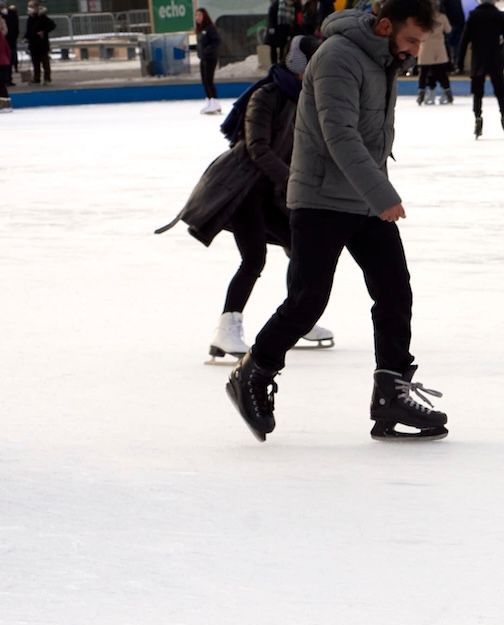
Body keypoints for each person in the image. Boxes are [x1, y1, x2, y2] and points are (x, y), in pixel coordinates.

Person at [225, 0, 450, 444]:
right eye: (409, 40)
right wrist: (382, 194)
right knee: (308, 301)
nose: (412, 51)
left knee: (394, 290)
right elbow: (339, 135)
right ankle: (253, 373)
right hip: (321, 197)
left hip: (362, 198)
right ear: (385, 25)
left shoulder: (383, 58)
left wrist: (374, 191)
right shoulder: (337, 57)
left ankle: (390, 392)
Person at [158, 35, 339, 360]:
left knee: (299, 247)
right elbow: (257, 148)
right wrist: (291, 179)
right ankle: (226, 331)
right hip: (240, 188)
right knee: (253, 258)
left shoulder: (306, 99)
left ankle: (298, 319)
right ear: (300, 64)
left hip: (268, 192)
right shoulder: (265, 95)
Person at [460, 0, 504, 137]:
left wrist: (459, 61)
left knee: (478, 93)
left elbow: (465, 39)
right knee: (500, 92)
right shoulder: (499, 15)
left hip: (478, 60)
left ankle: (478, 117)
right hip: (495, 58)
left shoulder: (473, 15)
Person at [415, 3, 452, 104]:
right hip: (438, 47)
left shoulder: (423, 17)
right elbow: (448, 30)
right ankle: (448, 93)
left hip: (425, 46)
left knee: (424, 73)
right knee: (441, 72)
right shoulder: (443, 17)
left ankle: (422, 94)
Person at [195, 8, 223, 113]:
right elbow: (201, 44)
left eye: (199, 15)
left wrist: (207, 51)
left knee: (209, 81)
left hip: (210, 58)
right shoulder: (200, 30)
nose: (197, 17)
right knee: (204, 81)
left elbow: (216, 41)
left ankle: (215, 102)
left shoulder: (210, 28)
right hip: (203, 59)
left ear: (204, 16)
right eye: (196, 15)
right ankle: (210, 101)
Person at [26, 0, 53, 84]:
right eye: (29, 7)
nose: (29, 8)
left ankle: (47, 78)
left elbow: (52, 25)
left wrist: (43, 31)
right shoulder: (30, 17)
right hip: (33, 43)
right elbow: (29, 29)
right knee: (35, 62)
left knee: (45, 62)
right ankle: (36, 78)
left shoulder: (42, 16)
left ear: (36, 7)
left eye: (31, 7)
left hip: (42, 43)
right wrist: (26, 37)